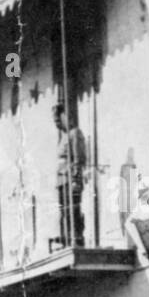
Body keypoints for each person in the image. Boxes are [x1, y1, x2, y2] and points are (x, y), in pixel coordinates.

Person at [54, 103, 88, 247]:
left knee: (72, 210)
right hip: (61, 180)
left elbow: (78, 158)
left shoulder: (74, 133)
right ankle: (66, 238)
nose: (56, 123)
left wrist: (75, 179)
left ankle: (76, 238)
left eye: (58, 119)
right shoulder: (63, 137)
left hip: (69, 178)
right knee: (64, 211)